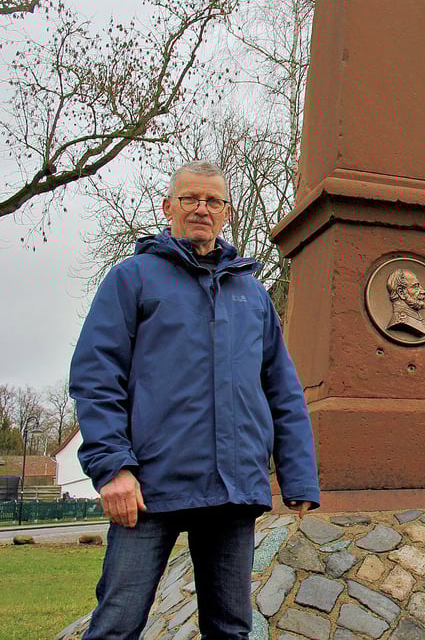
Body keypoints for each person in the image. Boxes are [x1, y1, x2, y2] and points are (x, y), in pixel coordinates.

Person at [71, 160, 320, 640]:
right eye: (190, 199)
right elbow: (96, 375)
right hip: (146, 489)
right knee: (116, 626)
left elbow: (282, 389)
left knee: (230, 629)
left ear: (227, 212)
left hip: (232, 490)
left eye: (212, 201)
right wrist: (112, 468)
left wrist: (299, 475)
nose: (201, 209)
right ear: (168, 207)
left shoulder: (252, 294)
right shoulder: (132, 279)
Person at [386, 267, 425, 335]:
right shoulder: (401, 322)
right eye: (415, 286)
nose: (423, 291)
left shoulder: (415, 318)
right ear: (401, 292)